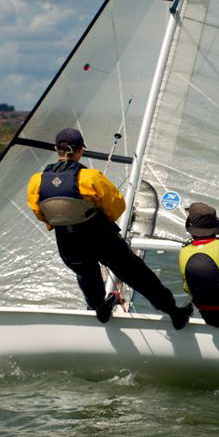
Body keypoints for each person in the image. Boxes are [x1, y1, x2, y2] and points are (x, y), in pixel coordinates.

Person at [27, 127, 193, 329]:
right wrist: (102, 223)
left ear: (56, 149)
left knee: (86, 274)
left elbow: (39, 212)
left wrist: (61, 222)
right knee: (136, 274)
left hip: (66, 240)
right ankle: (174, 312)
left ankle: (99, 308)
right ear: (81, 150)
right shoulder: (91, 177)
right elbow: (117, 206)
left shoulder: (36, 180)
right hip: (99, 236)